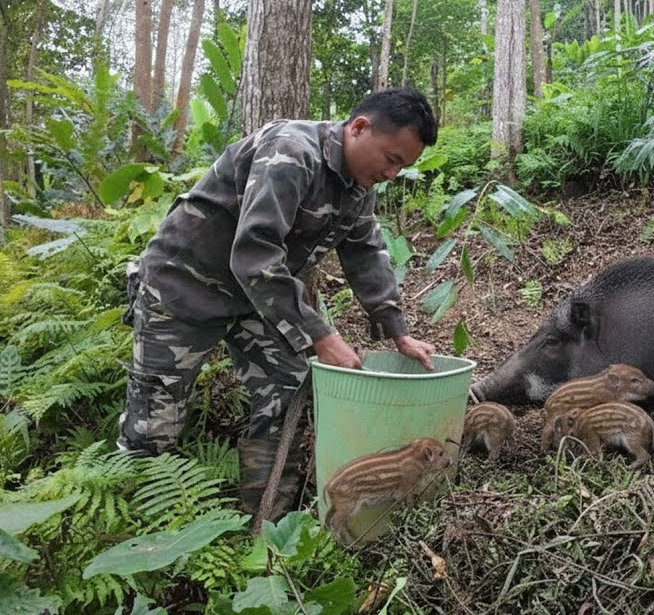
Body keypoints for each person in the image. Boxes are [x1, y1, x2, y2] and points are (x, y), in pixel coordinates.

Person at [117, 87, 439, 516]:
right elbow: (255, 254)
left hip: (254, 299)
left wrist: (398, 332)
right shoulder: (291, 151)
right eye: (392, 159)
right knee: (154, 423)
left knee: (289, 389)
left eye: (403, 166)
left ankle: (265, 523)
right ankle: (134, 533)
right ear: (359, 128)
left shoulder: (359, 185)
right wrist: (320, 336)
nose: (392, 173)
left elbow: (365, 252)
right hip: (182, 289)